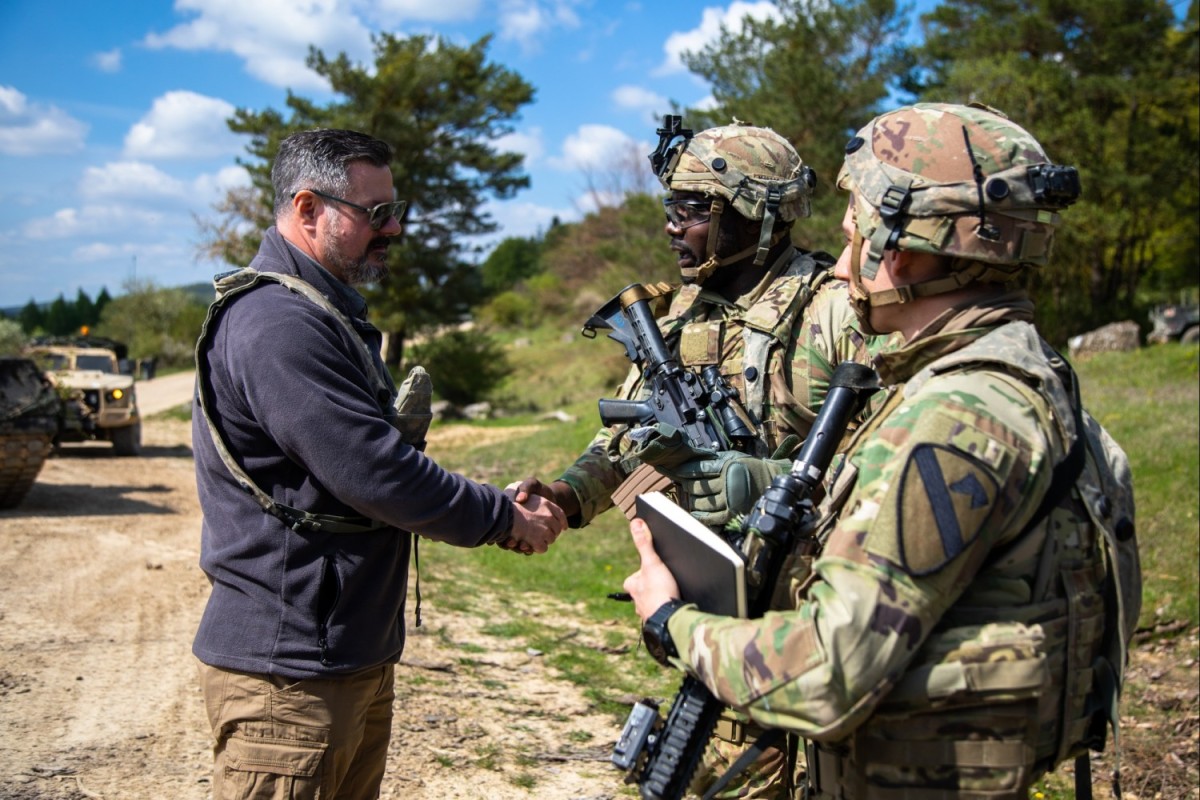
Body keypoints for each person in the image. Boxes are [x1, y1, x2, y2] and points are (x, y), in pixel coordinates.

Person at [623, 102, 1138, 799]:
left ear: (907, 246)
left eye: (854, 239)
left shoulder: (958, 418)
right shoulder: (1040, 382)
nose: (839, 269)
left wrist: (671, 619)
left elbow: (827, 674)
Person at [516, 120, 894, 797]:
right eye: (671, 209)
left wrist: (771, 481)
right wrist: (567, 498)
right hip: (712, 620)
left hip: (815, 623)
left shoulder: (835, 311)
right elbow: (629, 444)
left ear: (760, 214)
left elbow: (891, 471)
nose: (671, 228)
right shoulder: (684, 315)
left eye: (693, 211)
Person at [191, 128, 567, 800]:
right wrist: (500, 515)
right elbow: (374, 471)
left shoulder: (320, 311)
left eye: (399, 211)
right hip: (291, 676)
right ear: (307, 209)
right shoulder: (278, 324)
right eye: (375, 214)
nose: (393, 230)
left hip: (340, 658)